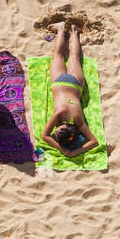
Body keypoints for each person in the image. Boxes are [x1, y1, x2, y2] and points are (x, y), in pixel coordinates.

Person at [40, 22, 100, 157]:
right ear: (65, 127)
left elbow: (94, 141)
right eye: (58, 130)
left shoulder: (78, 120)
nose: (55, 129)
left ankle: (75, 31)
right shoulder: (59, 114)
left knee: (74, 57)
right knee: (58, 55)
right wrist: (64, 150)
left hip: (75, 84)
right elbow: (45, 136)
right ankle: (60, 28)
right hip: (59, 83)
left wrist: (73, 151)